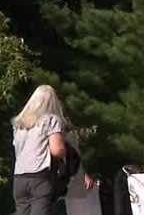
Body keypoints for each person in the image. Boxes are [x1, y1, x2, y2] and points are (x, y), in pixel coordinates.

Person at [12, 85, 94, 215]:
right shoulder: (51, 119)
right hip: (39, 177)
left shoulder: (20, 124)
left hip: (19, 178)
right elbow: (57, 150)